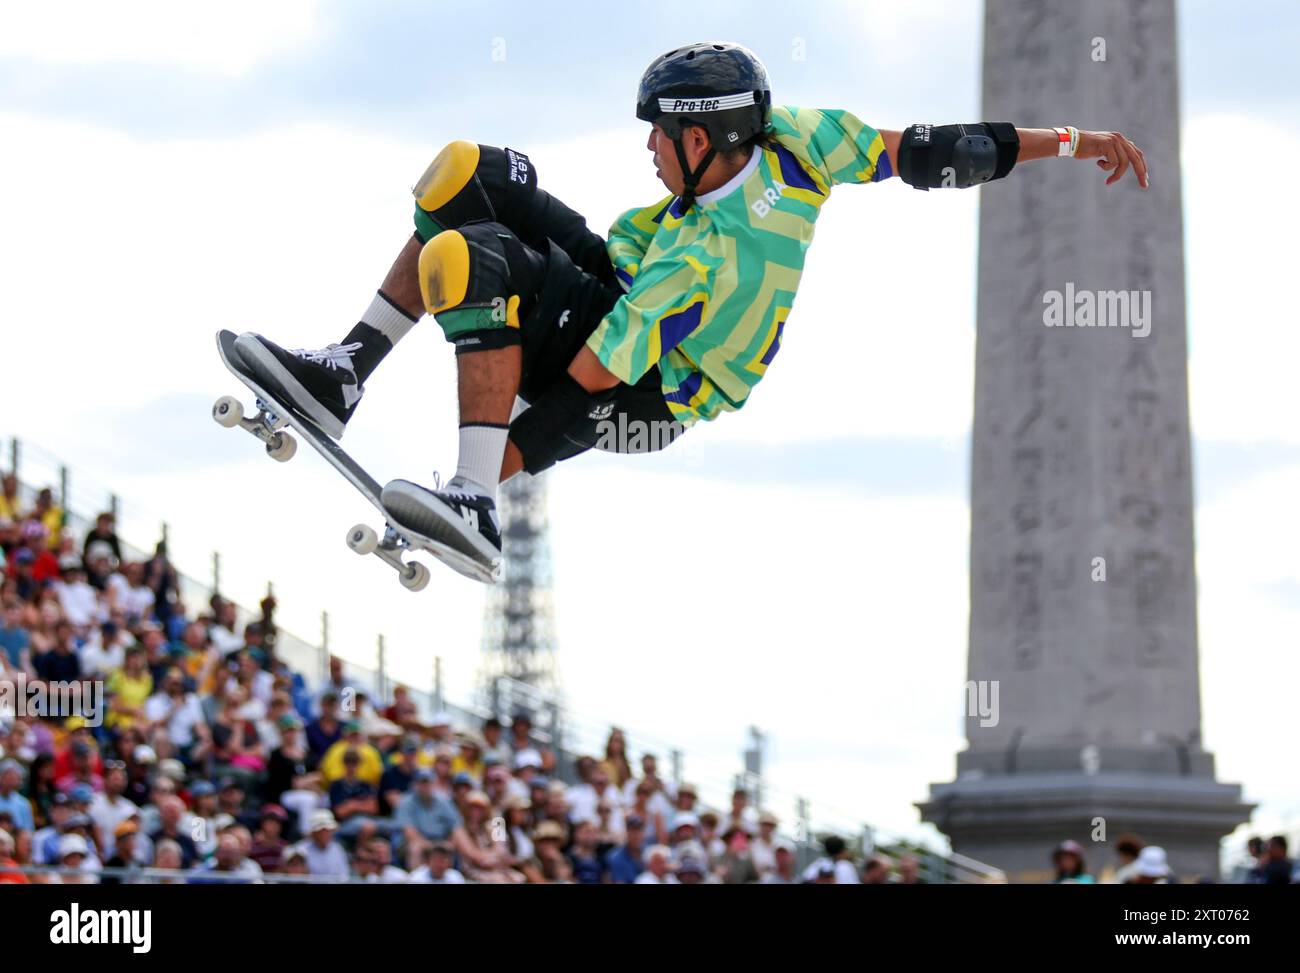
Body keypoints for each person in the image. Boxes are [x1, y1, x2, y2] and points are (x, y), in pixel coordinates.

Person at [230, 42, 1147, 584]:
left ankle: (474, 500)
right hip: (621, 286)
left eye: (658, 137)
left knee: (468, 262)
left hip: (646, 391)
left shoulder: (696, 265)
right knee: (466, 171)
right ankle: (341, 373)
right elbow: (937, 150)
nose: (649, 150)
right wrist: (1070, 140)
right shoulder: (800, 140)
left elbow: (580, 399)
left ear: (700, 140)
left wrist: (479, 484)